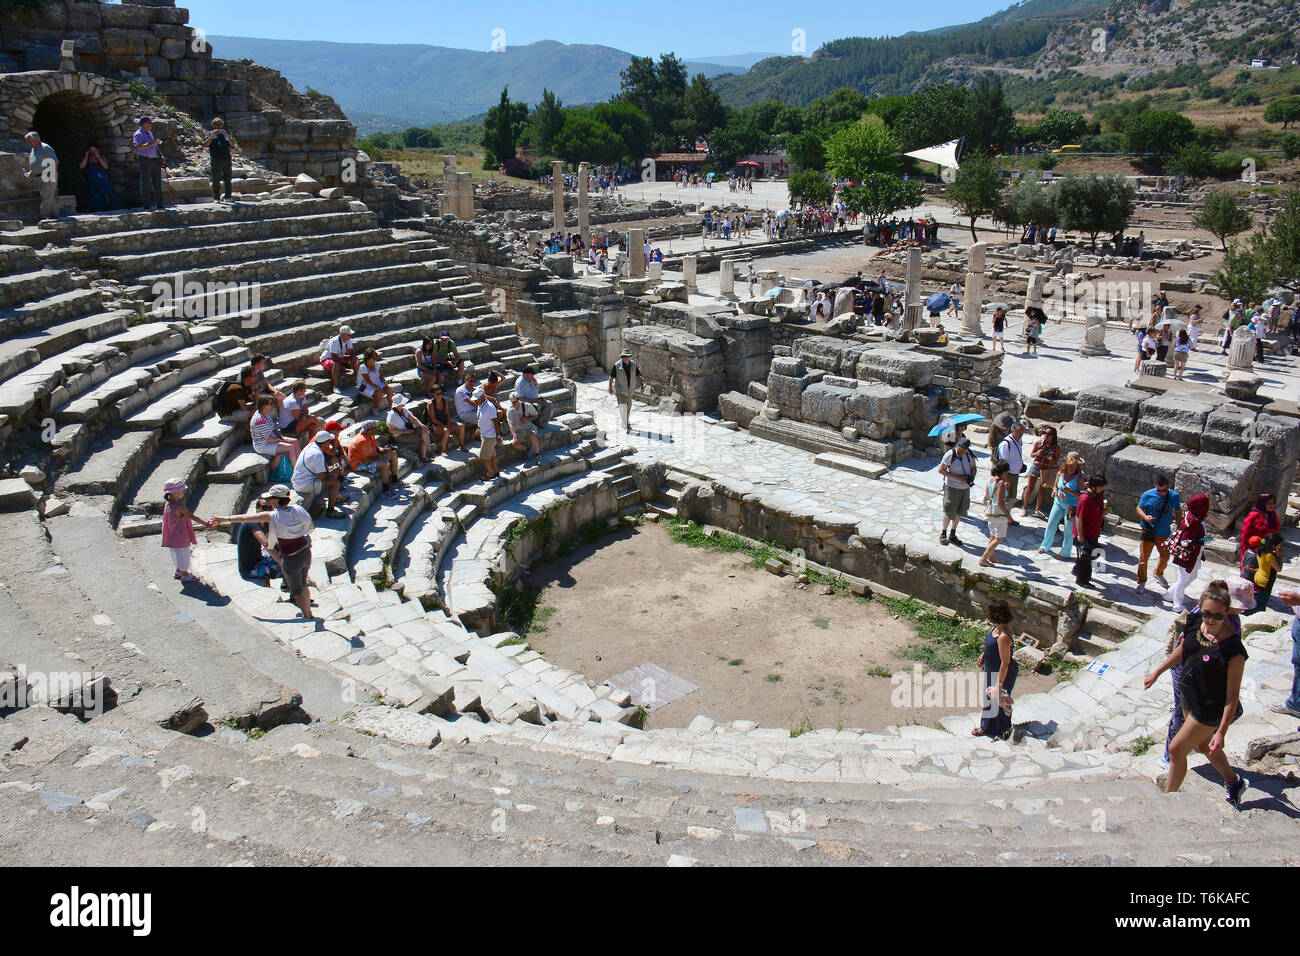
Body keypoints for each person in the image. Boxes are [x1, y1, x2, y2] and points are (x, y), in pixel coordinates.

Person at [1144, 580, 1249, 805]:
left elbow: (1232, 696)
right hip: (1189, 694)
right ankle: (1234, 781)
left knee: (1176, 750)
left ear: (1227, 613)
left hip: (1209, 707)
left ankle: (1168, 801)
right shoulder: (1196, 623)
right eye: (1207, 613)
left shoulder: (1233, 651)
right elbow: (1183, 649)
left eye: (1218, 616)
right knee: (1202, 746)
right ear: (1200, 608)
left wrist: (1222, 731)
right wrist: (1158, 671)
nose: (1211, 620)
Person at [214, 485, 317, 619]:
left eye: (271, 500)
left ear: (275, 500)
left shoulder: (272, 516)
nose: (269, 503)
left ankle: (307, 616)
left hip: (291, 558)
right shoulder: (298, 509)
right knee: (303, 585)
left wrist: (224, 518)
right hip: (305, 553)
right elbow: (310, 527)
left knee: (297, 591)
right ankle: (309, 611)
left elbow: (244, 518)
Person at [974, 599, 1018, 739]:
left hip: (1002, 672)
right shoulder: (997, 628)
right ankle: (986, 726)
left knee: (1000, 701)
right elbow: (992, 646)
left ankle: (1002, 732)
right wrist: (984, 654)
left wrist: (999, 684)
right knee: (988, 698)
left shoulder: (1003, 636)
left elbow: (1005, 663)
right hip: (991, 667)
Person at [1163, 493, 1211, 611]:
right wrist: (1200, 541)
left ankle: (1169, 595)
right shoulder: (1193, 521)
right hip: (1189, 555)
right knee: (1183, 578)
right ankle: (1177, 604)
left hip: (1194, 554)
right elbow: (1185, 541)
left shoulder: (1194, 517)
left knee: (1192, 576)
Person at [1135, 473, 1180, 594]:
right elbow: (1139, 507)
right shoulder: (1147, 495)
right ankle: (1141, 581)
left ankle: (1158, 573)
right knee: (1144, 558)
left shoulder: (1174, 496)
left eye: (1164, 490)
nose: (1162, 493)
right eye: (1159, 491)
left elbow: (1178, 510)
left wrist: (1180, 526)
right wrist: (1145, 517)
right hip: (1149, 531)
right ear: (1155, 486)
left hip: (1164, 532)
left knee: (1165, 557)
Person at [161, 479, 210, 584]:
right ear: (175, 492)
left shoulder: (168, 504)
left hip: (171, 535)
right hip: (180, 536)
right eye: (182, 490)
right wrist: (206, 524)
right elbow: (192, 517)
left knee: (176, 554)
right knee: (184, 555)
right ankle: (185, 575)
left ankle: (178, 571)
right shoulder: (179, 507)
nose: (183, 492)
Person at [1039, 451, 1083, 559]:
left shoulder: (1079, 477)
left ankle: (1065, 553)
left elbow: (1081, 495)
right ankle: (1045, 546)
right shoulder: (1060, 473)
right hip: (1058, 502)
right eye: (1071, 466)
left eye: (1075, 466)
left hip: (1071, 506)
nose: (1072, 468)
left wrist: (1070, 491)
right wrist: (1054, 491)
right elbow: (1055, 486)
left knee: (1068, 530)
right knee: (1051, 524)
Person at [292, 430, 345, 517]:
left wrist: (331, 469)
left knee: (333, 473)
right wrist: (334, 470)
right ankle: (331, 510)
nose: (329, 443)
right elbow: (322, 476)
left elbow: (322, 467)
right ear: (325, 442)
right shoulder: (317, 454)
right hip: (304, 484)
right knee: (335, 481)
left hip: (300, 480)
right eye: (329, 441)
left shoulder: (312, 446)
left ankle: (334, 497)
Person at [937, 435, 976, 546]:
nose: (964, 452)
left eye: (965, 450)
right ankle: (943, 533)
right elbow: (941, 470)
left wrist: (972, 476)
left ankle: (952, 533)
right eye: (962, 450)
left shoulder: (969, 454)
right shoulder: (950, 455)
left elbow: (973, 467)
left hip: (965, 488)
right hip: (952, 487)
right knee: (949, 510)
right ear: (958, 447)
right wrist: (958, 478)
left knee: (960, 511)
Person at [235, 495, 282, 583]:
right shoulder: (252, 523)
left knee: (288, 555)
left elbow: (276, 542)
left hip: (259, 559)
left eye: (270, 508)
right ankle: (288, 586)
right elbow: (267, 544)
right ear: (257, 509)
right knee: (288, 567)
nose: (267, 510)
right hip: (250, 570)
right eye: (264, 507)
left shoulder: (266, 523)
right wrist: (282, 563)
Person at [1073, 475, 1107, 587]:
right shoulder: (1085, 498)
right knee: (1088, 557)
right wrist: (1080, 536)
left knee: (1085, 555)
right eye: (1101, 487)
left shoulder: (1098, 496)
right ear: (1093, 487)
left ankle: (1077, 569)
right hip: (1085, 533)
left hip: (1093, 531)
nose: (1103, 489)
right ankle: (1082, 580)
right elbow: (1079, 517)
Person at [250, 395, 299, 472]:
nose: (273, 406)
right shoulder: (259, 421)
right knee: (291, 448)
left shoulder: (266, 413)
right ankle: (296, 472)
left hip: (271, 439)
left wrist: (281, 437)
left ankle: (300, 466)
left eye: (272, 403)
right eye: (270, 404)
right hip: (263, 445)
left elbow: (274, 428)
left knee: (295, 441)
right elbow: (270, 439)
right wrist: (283, 441)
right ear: (263, 405)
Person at [346, 419, 400, 488]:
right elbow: (367, 461)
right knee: (383, 463)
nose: (376, 429)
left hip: (368, 459)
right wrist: (381, 455)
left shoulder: (370, 436)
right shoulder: (362, 441)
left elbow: (376, 449)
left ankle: (395, 479)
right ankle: (385, 488)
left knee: (393, 454)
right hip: (359, 464)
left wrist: (385, 450)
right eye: (375, 428)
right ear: (369, 429)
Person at [1020, 426, 1058, 518]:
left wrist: (1049, 457)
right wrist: (1038, 453)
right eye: (1045, 433)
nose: (1046, 435)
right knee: (1030, 487)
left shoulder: (1056, 448)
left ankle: (1038, 509)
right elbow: (1032, 455)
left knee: (1042, 490)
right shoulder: (1038, 443)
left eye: (1049, 434)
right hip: (1036, 466)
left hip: (1046, 469)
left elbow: (1056, 460)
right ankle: (1024, 507)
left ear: (1053, 436)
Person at [1243, 532, 1284, 615]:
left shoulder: (1261, 550)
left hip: (1259, 576)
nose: (1281, 546)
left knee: (1260, 598)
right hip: (1266, 581)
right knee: (1261, 605)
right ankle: (1252, 615)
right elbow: (1278, 568)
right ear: (1273, 545)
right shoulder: (1269, 555)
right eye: (1280, 544)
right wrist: (1281, 556)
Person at [980, 461, 1011, 568]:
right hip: (999, 513)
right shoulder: (1001, 483)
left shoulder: (991, 480)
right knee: (1000, 538)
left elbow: (988, 495)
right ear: (1005, 472)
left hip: (991, 512)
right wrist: (1008, 515)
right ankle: (983, 558)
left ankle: (991, 556)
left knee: (993, 535)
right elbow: (1001, 502)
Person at [1238, 494, 1279, 571]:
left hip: (1267, 550)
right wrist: (1249, 550)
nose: (1272, 506)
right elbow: (1245, 534)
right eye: (1269, 503)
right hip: (1254, 550)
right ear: (1263, 504)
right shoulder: (1253, 515)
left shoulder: (1272, 515)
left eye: (1273, 503)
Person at [387, 394, 433, 462]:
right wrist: (406, 431)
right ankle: (427, 454)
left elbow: (413, 419)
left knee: (424, 431)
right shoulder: (392, 415)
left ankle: (427, 453)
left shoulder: (404, 410)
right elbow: (391, 430)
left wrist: (421, 425)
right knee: (424, 437)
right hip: (400, 436)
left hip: (408, 432)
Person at [23, 131, 59, 220]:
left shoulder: (46, 148)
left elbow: (55, 162)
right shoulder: (33, 149)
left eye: (30, 140)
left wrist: (52, 176)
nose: (29, 143)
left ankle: (44, 216)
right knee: (49, 195)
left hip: (49, 174)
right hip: (40, 176)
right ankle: (55, 215)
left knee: (45, 194)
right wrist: (30, 173)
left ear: (36, 139)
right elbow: (36, 164)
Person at [133, 116, 166, 211]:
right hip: (145, 160)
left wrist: (161, 155)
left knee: (157, 183)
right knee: (146, 183)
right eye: (149, 123)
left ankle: (160, 205)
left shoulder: (150, 133)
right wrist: (152, 143)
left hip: (155, 160)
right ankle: (147, 205)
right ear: (144, 124)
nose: (151, 125)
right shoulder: (138, 134)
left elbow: (155, 146)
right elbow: (139, 147)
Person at [996, 421, 1026, 524]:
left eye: (1022, 432)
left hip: (1015, 474)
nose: (1020, 434)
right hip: (1008, 475)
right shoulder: (1006, 443)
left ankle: (1006, 518)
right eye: (1018, 432)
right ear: (1012, 431)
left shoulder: (1018, 441)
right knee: (1005, 498)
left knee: (1011, 499)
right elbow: (1003, 461)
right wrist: (1006, 478)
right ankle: (1003, 518)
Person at [203, 117, 237, 202]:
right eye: (216, 125)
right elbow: (206, 144)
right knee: (216, 178)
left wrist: (228, 137)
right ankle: (216, 197)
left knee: (228, 178)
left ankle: (228, 196)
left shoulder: (225, 134)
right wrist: (211, 136)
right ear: (213, 125)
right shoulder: (210, 133)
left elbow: (232, 145)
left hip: (226, 158)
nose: (218, 126)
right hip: (216, 159)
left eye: (220, 124)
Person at [609, 348, 643, 432]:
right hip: (620, 390)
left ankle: (626, 421)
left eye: (626, 356)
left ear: (629, 357)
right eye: (623, 356)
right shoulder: (617, 365)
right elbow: (611, 377)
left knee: (628, 407)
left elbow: (638, 375)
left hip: (630, 390)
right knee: (623, 407)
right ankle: (625, 423)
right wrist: (610, 387)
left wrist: (641, 385)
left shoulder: (634, 364)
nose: (624, 358)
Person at [424, 384, 464, 454]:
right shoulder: (430, 404)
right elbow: (433, 419)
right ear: (433, 394)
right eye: (437, 394)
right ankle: (443, 451)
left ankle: (462, 445)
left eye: (440, 393)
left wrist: (448, 423)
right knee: (446, 430)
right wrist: (444, 425)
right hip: (434, 425)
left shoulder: (444, 401)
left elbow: (448, 414)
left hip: (444, 423)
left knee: (461, 426)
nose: (439, 395)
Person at [319, 325, 358, 392]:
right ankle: (335, 386)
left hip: (340, 357)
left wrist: (352, 358)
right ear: (343, 334)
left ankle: (358, 380)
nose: (350, 336)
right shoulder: (335, 341)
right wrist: (347, 362)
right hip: (327, 359)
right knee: (336, 364)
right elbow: (334, 357)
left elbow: (351, 351)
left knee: (356, 361)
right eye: (348, 335)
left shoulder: (348, 340)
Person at [79, 144, 114, 211]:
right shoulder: (87, 159)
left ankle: (108, 208)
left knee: (106, 193)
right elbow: (81, 166)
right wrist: (86, 156)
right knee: (94, 196)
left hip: (102, 179)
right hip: (92, 180)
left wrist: (98, 157)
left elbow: (106, 167)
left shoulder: (102, 157)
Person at [506, 393, 540, 457]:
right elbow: (510, 424)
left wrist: (528, 419)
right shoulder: (510, 410)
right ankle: (528, 450)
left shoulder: (527, 405)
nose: (514, 403)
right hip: (518, 430)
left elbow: (536, 415)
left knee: (533, 436)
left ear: (519, 400)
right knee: (515, 444)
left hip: (529, 427)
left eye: (516, 401)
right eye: (513, 402)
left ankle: (538, 455)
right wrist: (515, 436)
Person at [477, 390, 501, 480]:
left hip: (489, 436)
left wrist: (498, 436)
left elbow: (496, 423)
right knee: (491, 453)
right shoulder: (480, 405)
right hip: (484, 433)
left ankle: (490, 473)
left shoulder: (490, 407)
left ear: (482, 397)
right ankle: (495, 471)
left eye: (477, 399)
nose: (475, 400)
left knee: (483, 455)